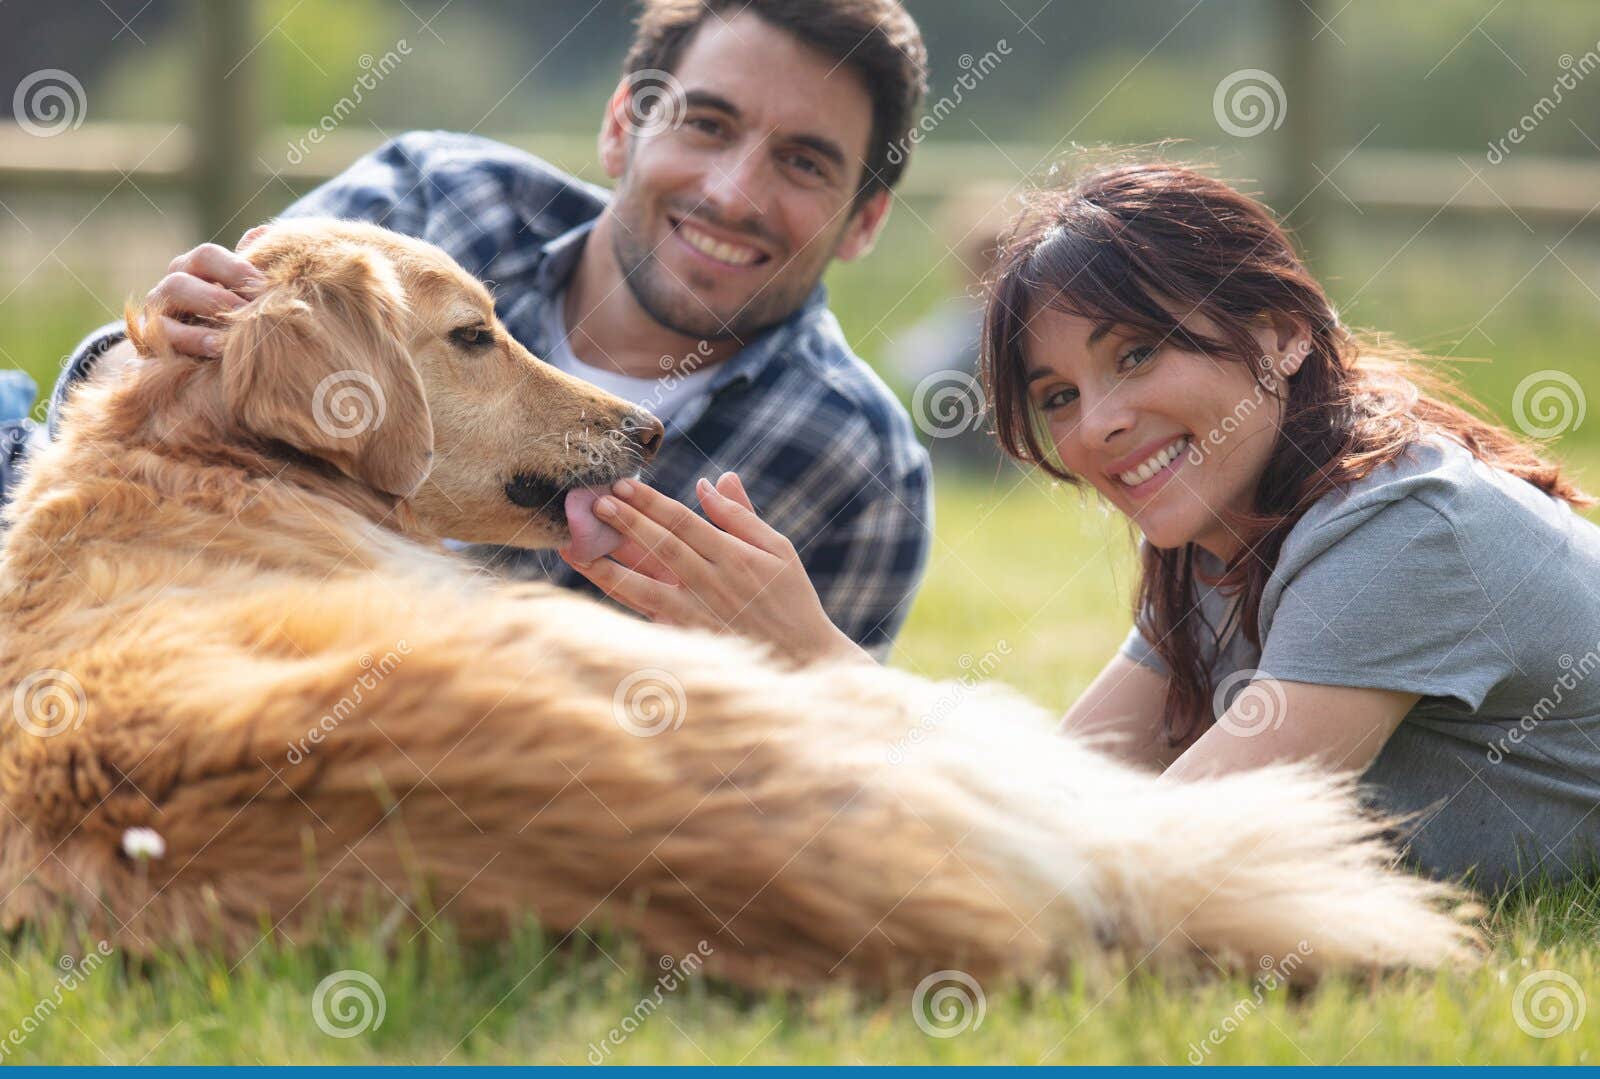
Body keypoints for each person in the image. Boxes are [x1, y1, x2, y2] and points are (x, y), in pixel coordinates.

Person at [576, 160, 1600, 893]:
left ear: (1283, 334)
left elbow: (1156, 860)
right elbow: (1060, 792)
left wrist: (819, 661)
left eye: (1137, 353)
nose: (1097, 423)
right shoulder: (1228, 532)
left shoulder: (1402, 530)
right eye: (1057, 396)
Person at [7, 0, 934, 660]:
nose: (732, 193)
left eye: (804, 163)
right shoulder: (434, 196)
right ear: (623, 126)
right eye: (708, 125)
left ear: (864, 222)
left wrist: (810, 669)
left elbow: (816, 802)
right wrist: (149, 350)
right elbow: (164, 405)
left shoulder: (862, 468)